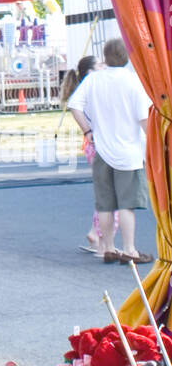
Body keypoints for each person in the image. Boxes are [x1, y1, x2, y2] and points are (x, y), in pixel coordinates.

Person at [68, 38, 153, 264]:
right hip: (129, 153)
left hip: (101, 150)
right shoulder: (134, 82)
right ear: (128, 57)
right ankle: (129, 249)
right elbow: (143, 118)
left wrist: (88, 131)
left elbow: (74, 105)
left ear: (105, 57)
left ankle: (107, 247)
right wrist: (156, 144)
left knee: (105, 204)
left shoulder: (94, 79)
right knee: (127, 204)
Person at [60, 54, 118, 254]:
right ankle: (103, 240)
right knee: (113, 194)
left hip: (95, 144)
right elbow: (76, 108)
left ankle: (98, 233)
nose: (105, 67)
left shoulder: (91, 90)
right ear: (91, 72)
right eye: (101, 64)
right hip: (100, 145)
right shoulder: (93, 89)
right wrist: (88, 130)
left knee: (107, 192)